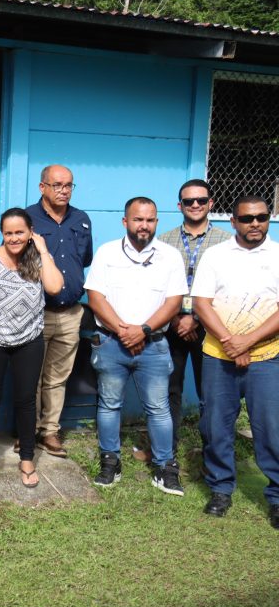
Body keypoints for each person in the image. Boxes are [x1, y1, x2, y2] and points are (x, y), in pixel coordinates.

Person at [85, 197, 187, 494]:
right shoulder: (107, 253)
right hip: (111, 343)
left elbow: (174, 302)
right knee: (109, 404)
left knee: (158, 408)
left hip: (153, 345)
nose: (144, 225)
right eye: (138, 219)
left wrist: (142, 330)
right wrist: (122, 330)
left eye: (151, 220)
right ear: (125, 221)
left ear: (156, 222)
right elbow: (95, 298)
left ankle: (165, 467)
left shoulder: (169, 256)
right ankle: (110, 461)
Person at [191, 195, 279, 529]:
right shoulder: (216, 255)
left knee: (271, 428)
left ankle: (277, 497)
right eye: (246, 219)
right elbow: (202, 303)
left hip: (268, 358)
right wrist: (231, 343)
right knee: (216, 426)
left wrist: (247, 341)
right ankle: (220, 489)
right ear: (233, 222)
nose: (254, 224)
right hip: (219, 357)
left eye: (261, 217)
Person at [0, 209, 64, 486]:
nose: (13, 238)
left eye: (19, 232)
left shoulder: (36, 257)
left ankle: (26, 460)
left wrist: (43, 249)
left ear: (30, 232)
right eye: (8, 233)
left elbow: (55, 287)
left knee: (25, 401)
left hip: (29, 341)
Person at [26, 165, 92, 458]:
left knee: (57, 376)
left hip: (70, 313)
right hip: (35, 314)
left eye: (68, 186)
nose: (63, 190)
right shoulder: (27, 219)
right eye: (57, 185)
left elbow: (84, 258)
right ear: (42, 187)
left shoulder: (81, 219)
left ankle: (49, 432)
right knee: (31, 376)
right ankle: (26, 431)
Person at [159, 179, 230, 444]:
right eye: (189, 201)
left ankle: (210, 452)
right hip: (172, 325)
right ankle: (167, 449)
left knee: (210, 393)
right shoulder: (164, 242)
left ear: (211, 203)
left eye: (201, 200)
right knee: (169, 390)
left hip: (210, 327)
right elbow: (158, 286)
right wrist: (177, 318)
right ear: (180, 206)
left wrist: (197, 320)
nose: (196, 205)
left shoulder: (226, 243)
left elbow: (227, 290)